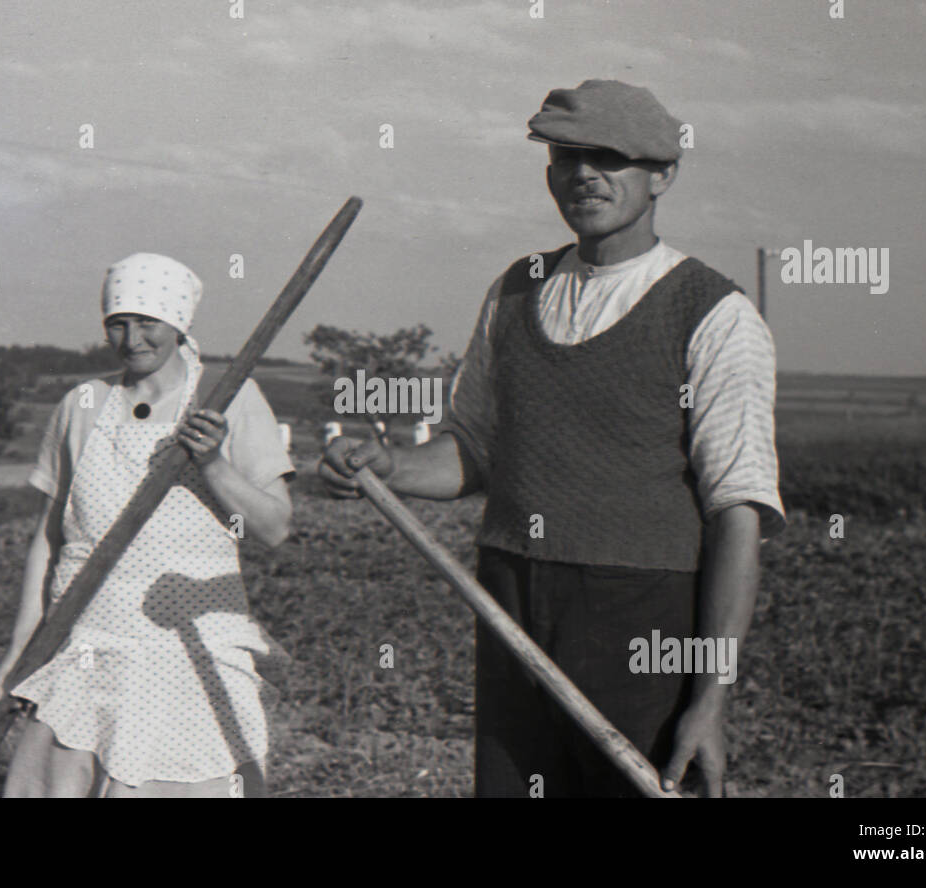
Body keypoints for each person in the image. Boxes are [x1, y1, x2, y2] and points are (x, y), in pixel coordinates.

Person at [321, 80, 786, 798]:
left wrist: (710, 699)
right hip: (511, 603)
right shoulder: (516, 289)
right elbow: (473, 449)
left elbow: (738, 512)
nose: (584, 175)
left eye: (610, 157)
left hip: (643, 619)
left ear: (663, 174)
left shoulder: (714, 313)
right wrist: (388, 466)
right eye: (566, 156)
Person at [0, 252, 295, 798]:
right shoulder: (82, 405)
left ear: (178, 323)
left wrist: (213, 464)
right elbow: (50, 537)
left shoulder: (229, 398)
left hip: (187, 653)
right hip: (84, 645)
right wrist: (23, 645)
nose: (132, 340)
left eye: (147, 323)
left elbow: (274, 528)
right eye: (118, 323)